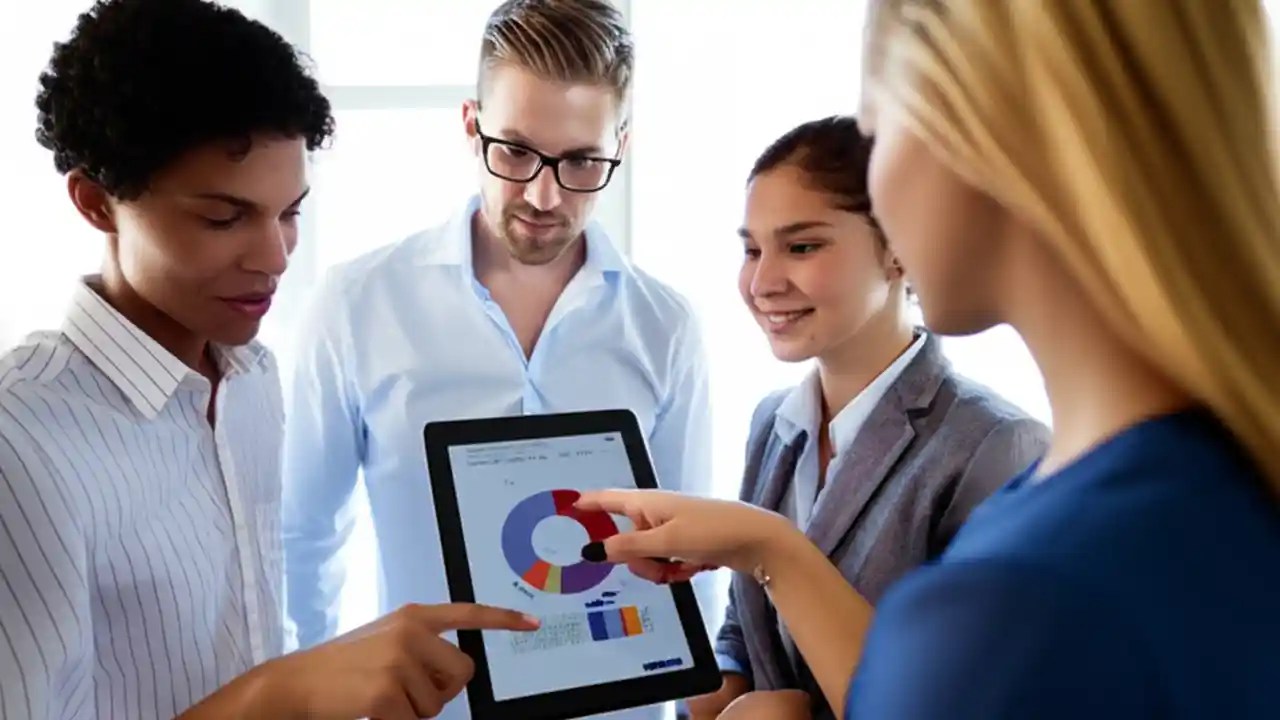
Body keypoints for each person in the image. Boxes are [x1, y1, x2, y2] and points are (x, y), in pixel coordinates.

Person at [577, 1, 1280, 718]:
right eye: (752, 247)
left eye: (877, 134)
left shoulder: (1020, 596)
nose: (763, 280)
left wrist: (769, 552)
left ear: (981, 131)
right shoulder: (1211, 495)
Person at [0, 1, 536, 718]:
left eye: (290, 212)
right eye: (225, 219)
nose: (276, 257)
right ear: (97, 203)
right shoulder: (21, 441)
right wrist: (281, 690)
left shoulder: (254, 381)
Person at [281, 2, 711, 716]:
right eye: (514, 151)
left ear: (622, 148)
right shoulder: (358, 304)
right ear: (471, 126)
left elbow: (695, 556)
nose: (544, 196)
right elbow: (302, 538)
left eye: (580, 162)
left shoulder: (665, 326)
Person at [688, 117, 1048, 720]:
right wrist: (709, 685)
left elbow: (968, 700)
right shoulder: (773, 422)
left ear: (900, 247)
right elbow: (746, 637)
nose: (762, 282)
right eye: (752, 249)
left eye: (802, 246)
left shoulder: (995, 447)